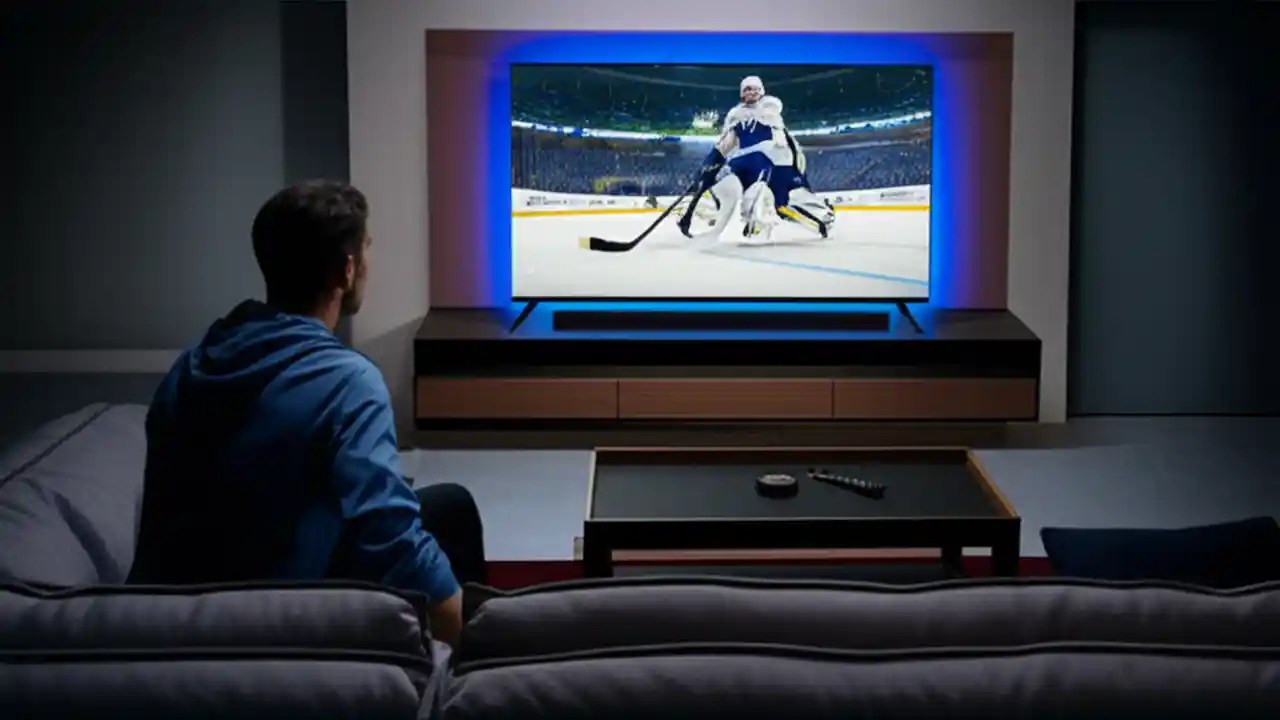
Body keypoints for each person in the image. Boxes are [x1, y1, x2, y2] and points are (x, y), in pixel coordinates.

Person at [128, 180, 484, 649]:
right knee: (434, 527)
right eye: (367, 251)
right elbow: (391, 537)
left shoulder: (194, 364)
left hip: (164, 613)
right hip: (277, 618)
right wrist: (469, 633)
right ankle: (462, 677)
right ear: (347, 269)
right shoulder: (348, 382)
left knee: (449, 506)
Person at [677, 75, 836, 241]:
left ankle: (822, 217)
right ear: (741, 94)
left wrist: (794, 164)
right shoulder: (736, 117)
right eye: (747, 89)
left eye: (755, 89)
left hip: (777, 163)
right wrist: (711, 161)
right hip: (748, 163)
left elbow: (785, 141)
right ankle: (703, 215)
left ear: (762, 92)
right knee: (742, 193)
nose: (751, 92)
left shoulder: (770, 111)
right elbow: (725, 144)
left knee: (784, 204)